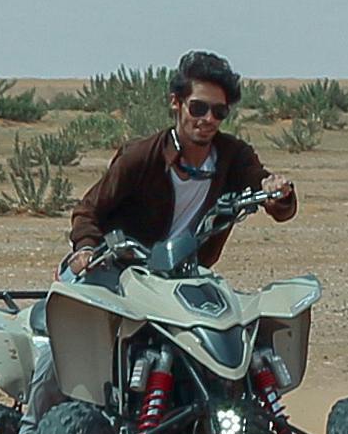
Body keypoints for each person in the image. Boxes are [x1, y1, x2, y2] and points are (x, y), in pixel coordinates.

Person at [66, 51, 298, 271]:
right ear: (176, 102)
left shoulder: (232, 156)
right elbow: (88, 210)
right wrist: (86, 249)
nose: (208, 119)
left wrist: (277, 192)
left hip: (186, 276)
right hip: (126, 272)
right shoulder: (142, 156)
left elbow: (267, 190)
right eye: (198, 108)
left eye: (219, 112)